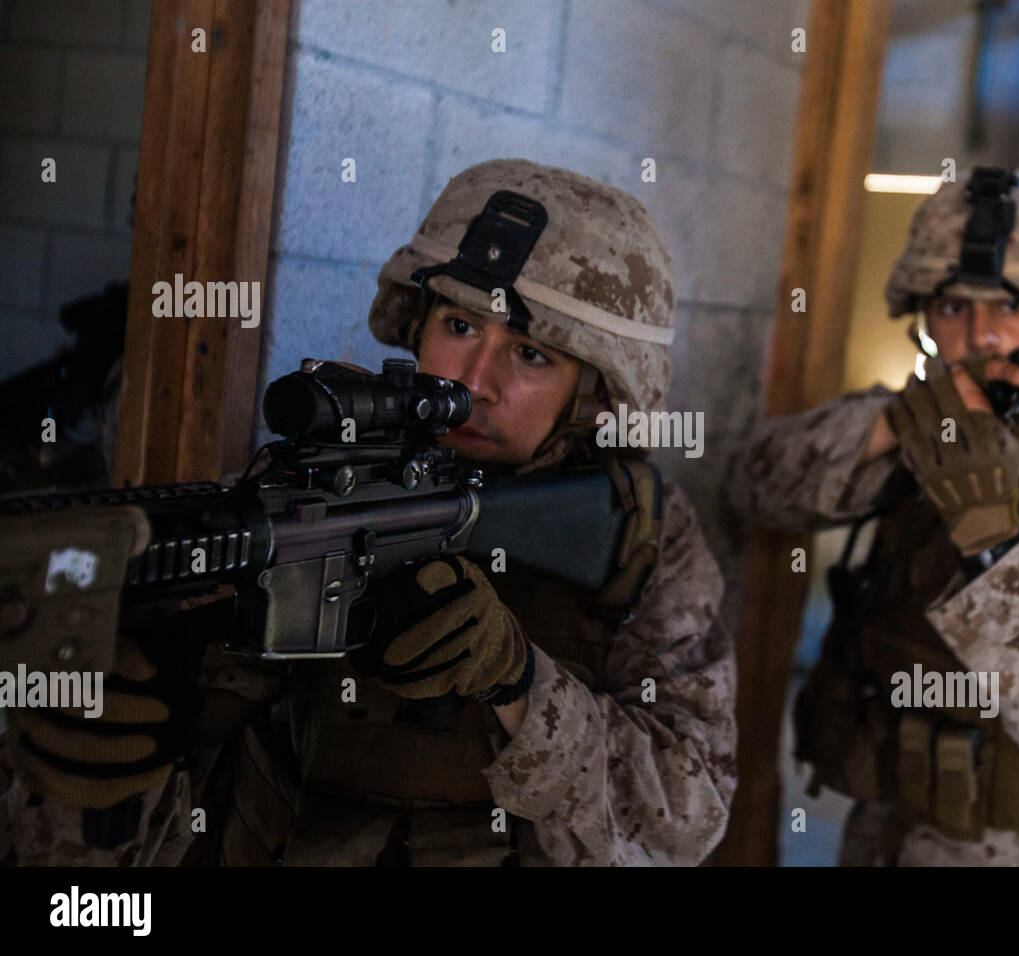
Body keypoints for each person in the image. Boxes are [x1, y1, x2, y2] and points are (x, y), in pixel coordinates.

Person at [0, 159, 737, 867]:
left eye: (532, 354)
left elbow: (686, 818)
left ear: (598, 394)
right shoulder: (310, 492)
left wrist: (516, 683)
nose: (474, 381)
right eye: (458, 326)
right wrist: (115, 759)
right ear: (416, 325)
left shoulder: (643, 538)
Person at [734, 168, 1019, 865]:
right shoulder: (910, 434)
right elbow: (753, 487)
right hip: (883, 837)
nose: (980, 336)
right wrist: (899, 425)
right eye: (954, 307)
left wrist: (994, 540)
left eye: (1007, 306)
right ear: (924, 317)